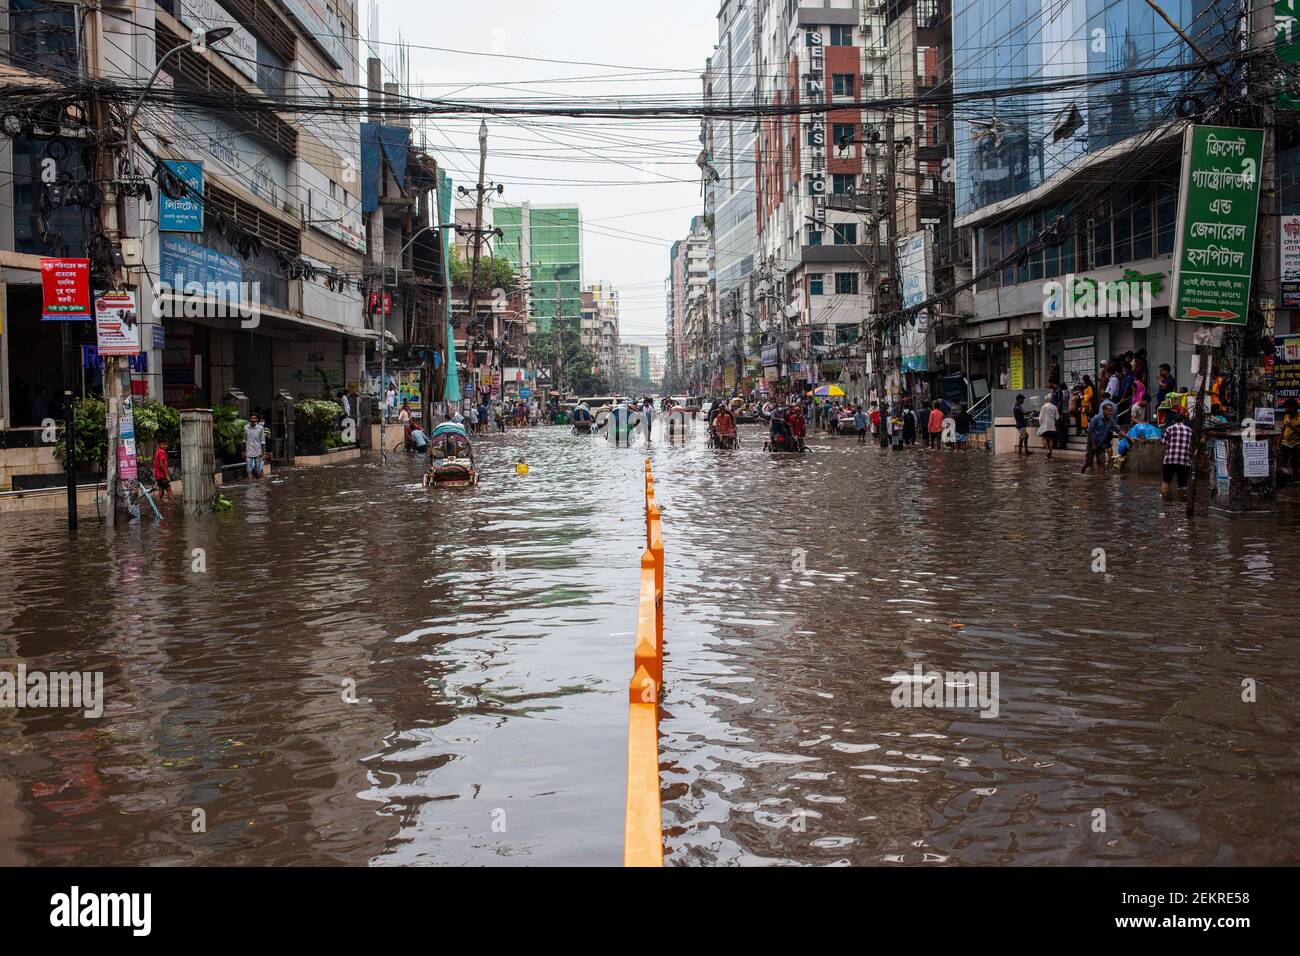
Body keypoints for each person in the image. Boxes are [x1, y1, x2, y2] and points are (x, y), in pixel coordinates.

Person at [1082, 400, 1121, 474]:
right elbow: (1089, 431)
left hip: (1101, 444)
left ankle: (1101, 480)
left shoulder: (1110, 421)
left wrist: (1128, 437)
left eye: (1111, 411)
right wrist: (1093, 444)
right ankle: (1082, 473)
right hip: (1092, 442)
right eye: (1109, 411)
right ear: (1104, 410)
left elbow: (1118, 430)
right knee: (1088, 463)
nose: (1111, 413)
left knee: (1101, 463)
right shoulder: (1096, 418)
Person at [1161, 412, 1193, 499]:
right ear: (1184, 420)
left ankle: (1165, 502)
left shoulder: (1169, 429)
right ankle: (1182, 502)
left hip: (1170, 460)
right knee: (1183, 485)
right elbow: (1192, 445)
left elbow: (1164, 442)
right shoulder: (1190, 430)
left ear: (1174, 420)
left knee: (1166, 482)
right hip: (1184, 461)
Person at [1280, 398, 1300, 480]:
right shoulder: (1286, 416)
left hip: (1296, 445)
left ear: (1293, 408)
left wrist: (1291, 425)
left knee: (1295, 462)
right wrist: (1279, 444)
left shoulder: (1299, 417)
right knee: (1282, 462)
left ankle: (1296, 478)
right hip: (1285, 443)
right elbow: (1283, 430)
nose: (1285, 409)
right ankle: (1284, 478)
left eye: (1287, 407)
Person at [1037, 391, 1059, 458]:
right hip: (1052, 426)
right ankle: (1050, 452)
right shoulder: (1054, 407)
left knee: (1044, 439)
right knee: (1051, 439)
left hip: (1045, 426)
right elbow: (1057, 417)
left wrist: (1040, 424)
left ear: (1046, 400)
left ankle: (1048, 451)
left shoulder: (1043, 407)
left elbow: (1040, 418)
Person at [244, 413, 266, 480]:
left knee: (257, 469)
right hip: (249, 451)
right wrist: (243, 451)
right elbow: (244, 440)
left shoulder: (260, 428)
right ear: (249, 419)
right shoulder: (246, 427)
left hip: (258, 451)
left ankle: (258, 482)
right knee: (249, 469)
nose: (253, 420)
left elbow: (262, 441)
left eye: (254, 418)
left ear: (256, 420)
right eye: (251, 418)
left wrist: (263, 453)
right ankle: (250, 483)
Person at [152, 439, 173, 506]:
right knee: (169, 490)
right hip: (161, 475)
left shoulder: (158, 451)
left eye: (166, 444)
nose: (165, 446)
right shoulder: (162, 452)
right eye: (163, 444)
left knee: (161, 491)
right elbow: (161, 465)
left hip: (157, 475)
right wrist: (166, 475)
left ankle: (156, 506)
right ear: (160, 444)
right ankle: (171, 506)